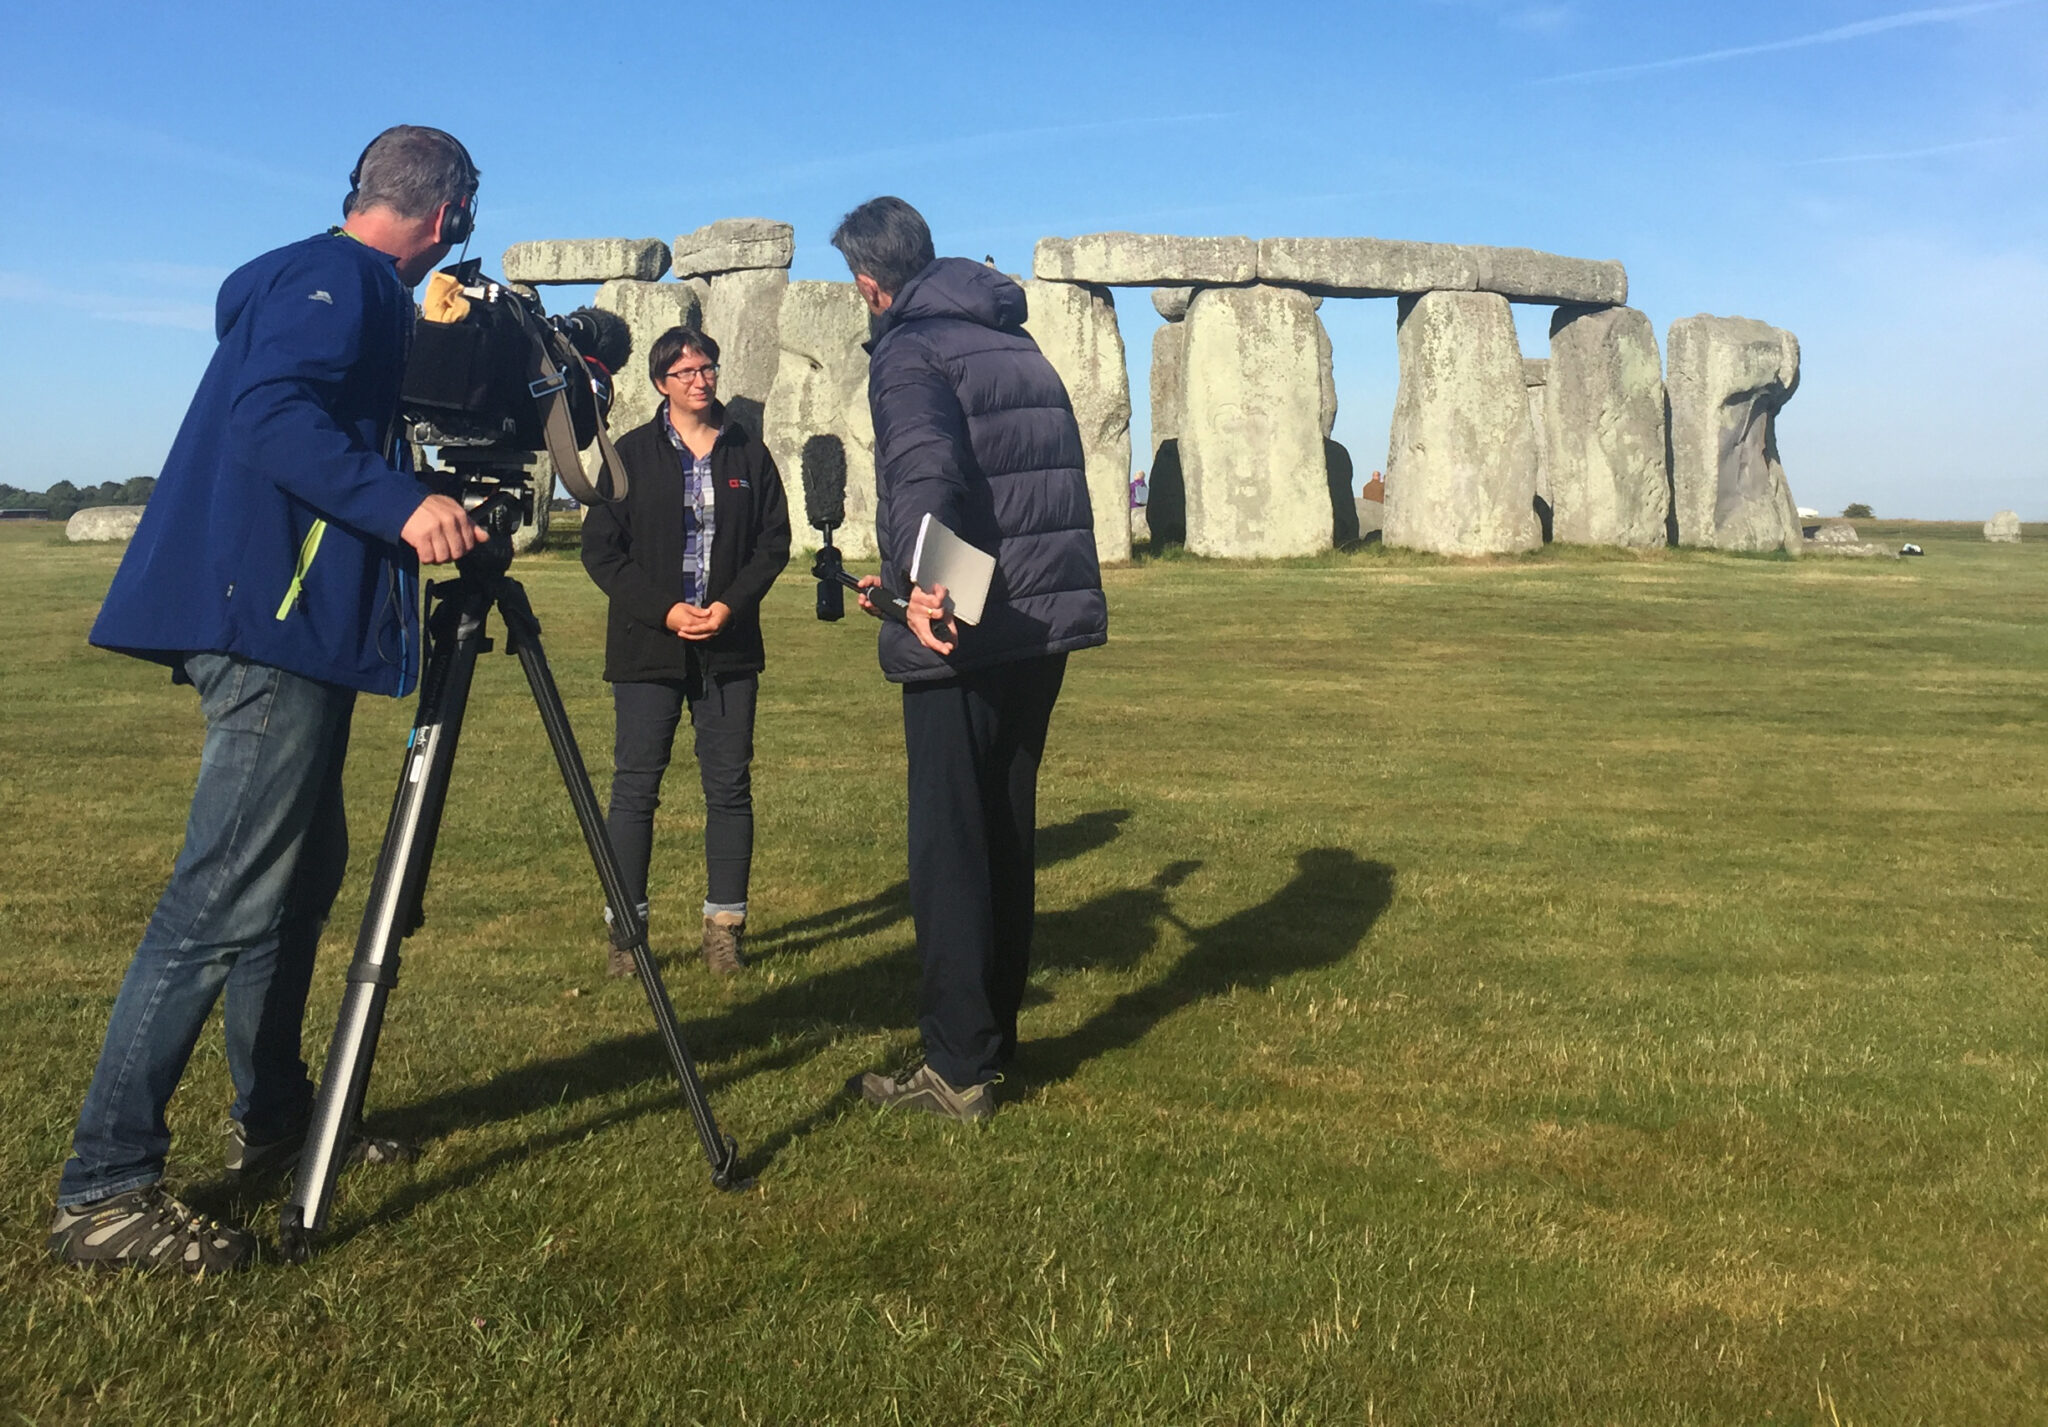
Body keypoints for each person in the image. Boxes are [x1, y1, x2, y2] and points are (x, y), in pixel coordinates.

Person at [46, 126, 486, 1274]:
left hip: (290, 630)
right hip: (271, 633)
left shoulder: (313, 280)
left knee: (294, 881)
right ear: (446, 216)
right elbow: (271, 413)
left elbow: (302, 420)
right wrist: (398, 502)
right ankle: (104, 1185)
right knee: (223, 897)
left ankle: (279, 1115)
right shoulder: (335, 277)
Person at [832, 197, 1108, 1121]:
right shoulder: (1013, 341)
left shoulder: (911, 349)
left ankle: (956, 1065)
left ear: (873, 285)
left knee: (949, 843)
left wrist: (919, 583)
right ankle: (996, 1044)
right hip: (1040, 619)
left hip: (967, 622)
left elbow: (925, 468)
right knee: (1005, 828)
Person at [581, 325, 791, 977]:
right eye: (686, 372)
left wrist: (728, 606)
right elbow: (601, 551)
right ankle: (628, 934)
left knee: (728, 786)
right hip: (648, 645)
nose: (701, 381)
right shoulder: (630, 454)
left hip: (728, 646)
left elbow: (772, 543)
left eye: (708, 369)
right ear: (660, 384)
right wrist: (665, 610)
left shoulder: (748, 454)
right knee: (636, 788)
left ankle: (723, 928)